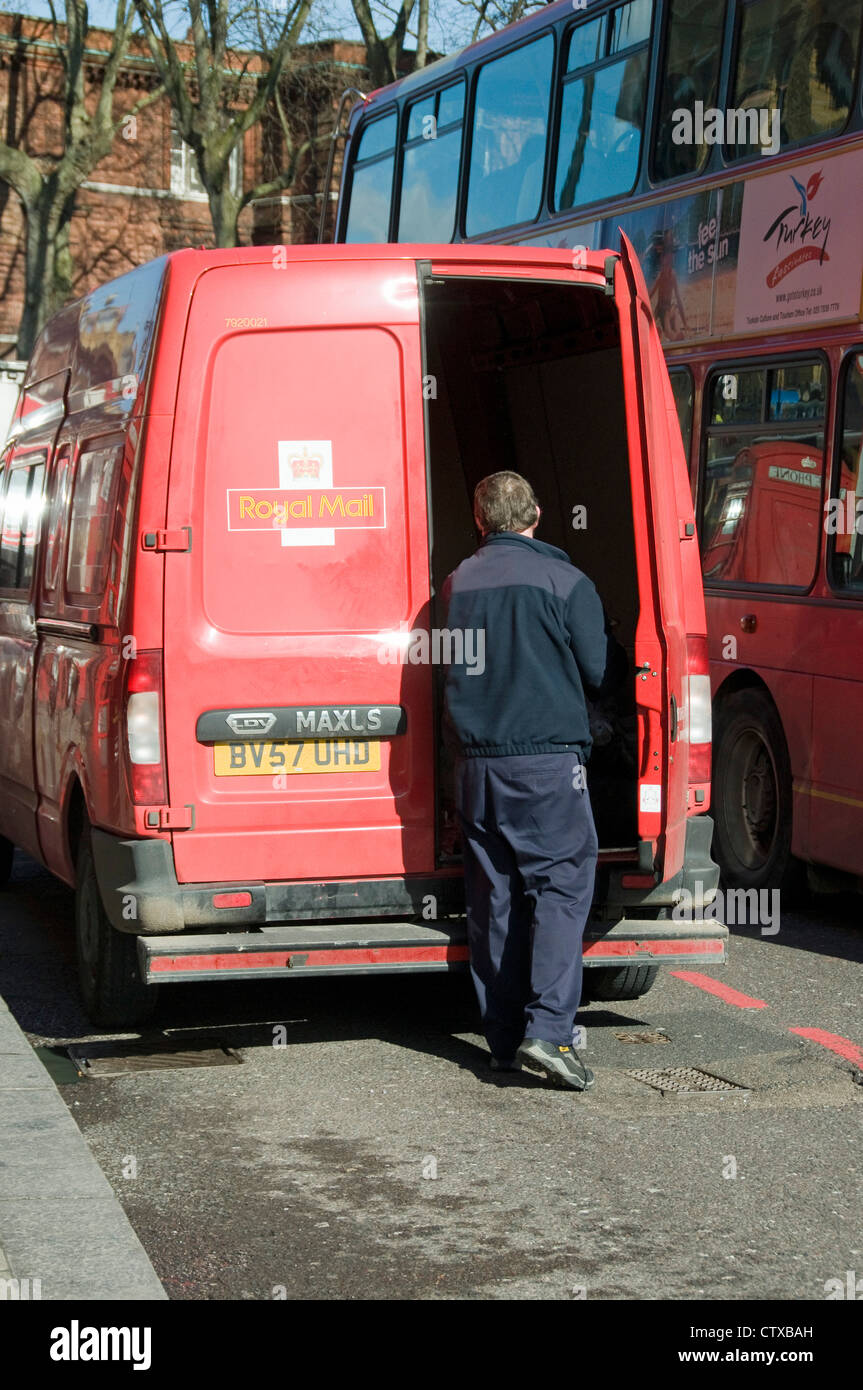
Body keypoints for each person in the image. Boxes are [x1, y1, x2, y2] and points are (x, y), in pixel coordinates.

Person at [440, 471, 627, 1090]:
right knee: (561, 887)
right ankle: (549, 1034)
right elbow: (598, 669)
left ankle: (501, 1040)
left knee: (495, 897)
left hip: (475, 766)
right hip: (545, 763)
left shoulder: (456, 584)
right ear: (538, 515)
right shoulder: (566, 580)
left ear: (479, 519)